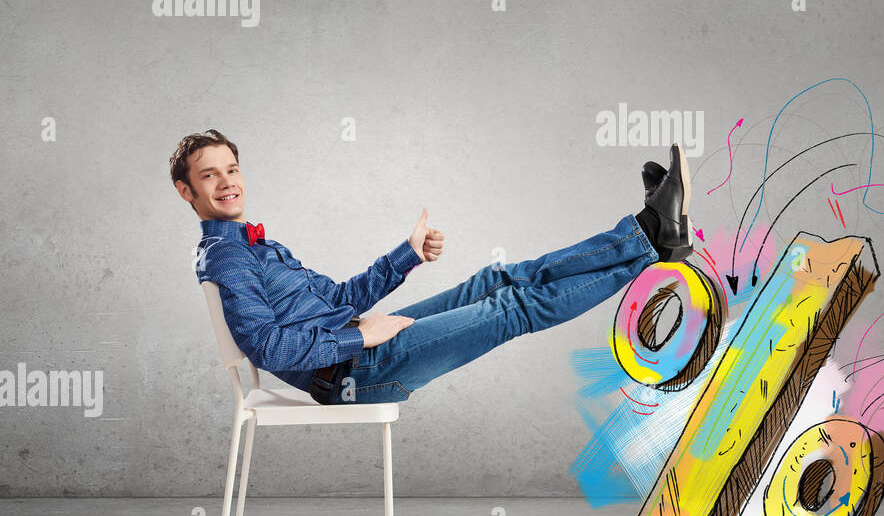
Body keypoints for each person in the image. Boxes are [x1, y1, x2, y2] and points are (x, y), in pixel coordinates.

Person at [172, 129, 695, 405]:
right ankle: (651, 238)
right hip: (352, 375)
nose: (227, 182)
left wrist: (409, 253)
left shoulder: (255, 244)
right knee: (510, 307)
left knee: (495, 280)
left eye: (231, 169)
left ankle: (650, 234)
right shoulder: (227, 257)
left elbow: (337, 301)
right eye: (210, 175)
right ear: (186, 190)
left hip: (357, 350)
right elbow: (267, 347)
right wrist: (362, 337)